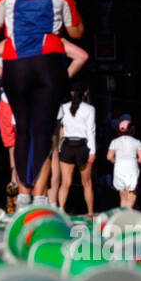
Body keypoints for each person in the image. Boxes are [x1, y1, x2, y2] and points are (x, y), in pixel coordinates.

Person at [0, 0, 84, 206]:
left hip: (16, 63)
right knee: (45, 134)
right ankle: (40, 199)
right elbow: (77, 31)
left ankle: (22, 199)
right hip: (49, 63)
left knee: (23, 131)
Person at [56, 82, 96, 213]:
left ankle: (61, 209)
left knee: (65, 183)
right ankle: (90, 212)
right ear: (85, 94)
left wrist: (59, 148)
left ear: (71, 93)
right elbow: (91, 131)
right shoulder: (90, 109)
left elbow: (60, 131)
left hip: (67, 146)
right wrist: (93, 151)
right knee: (87, 183)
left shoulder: (63, 107)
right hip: (82, 147)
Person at [107, 117, 141, 209]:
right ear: (131, 129)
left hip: (119, 167)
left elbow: (109, 157)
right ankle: (128, 213)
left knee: (123, 196)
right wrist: (135, 160)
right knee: (132, 194)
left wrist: (115, 161)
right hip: (132, 167)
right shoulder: (137, 142)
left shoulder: (114, 142)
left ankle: (123, 216)